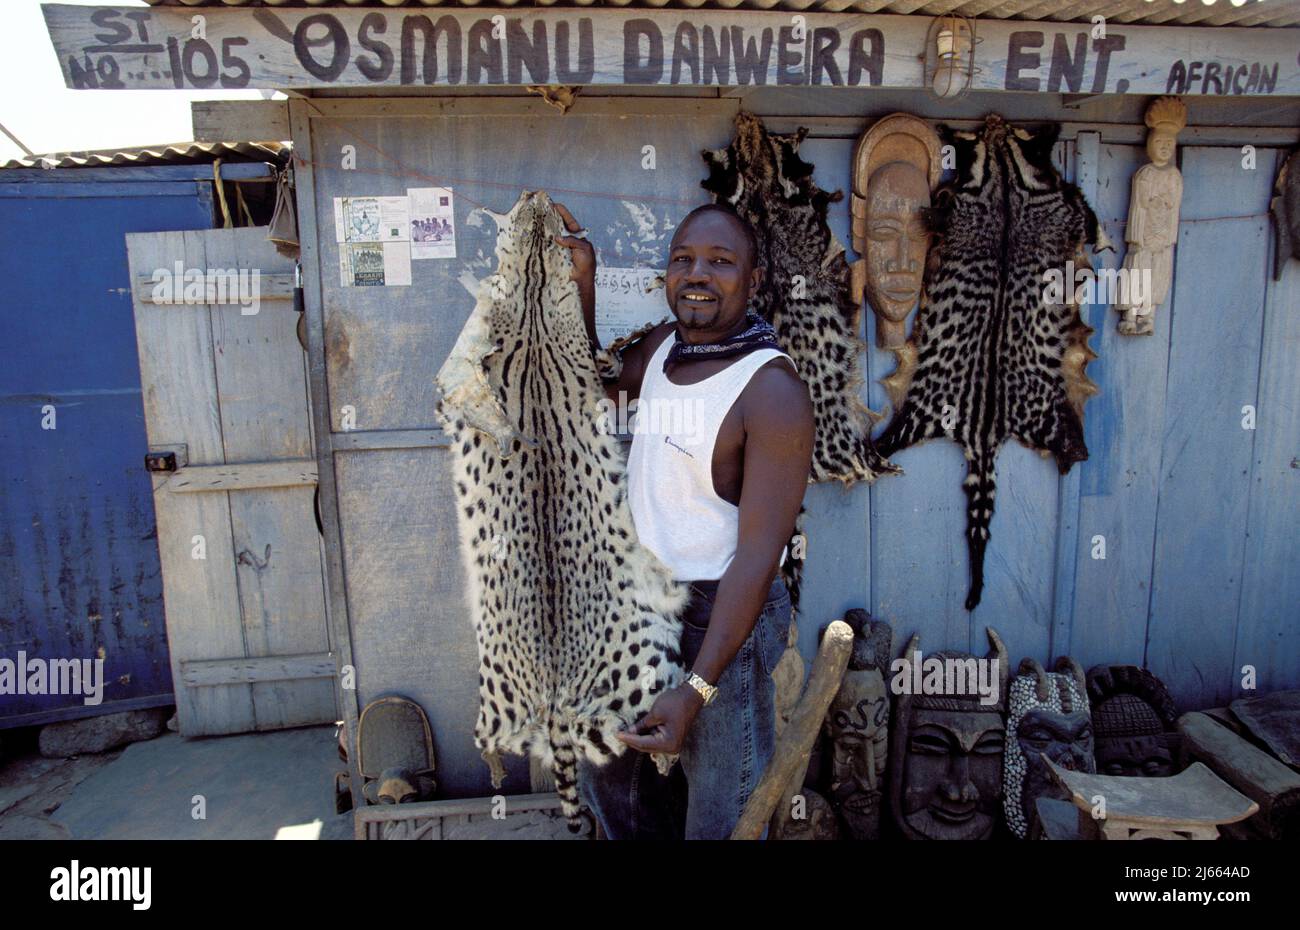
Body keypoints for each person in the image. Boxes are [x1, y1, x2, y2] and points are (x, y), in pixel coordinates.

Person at [554, 201, 814, 839]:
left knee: (719, 809)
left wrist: (698, 687)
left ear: (752, 282)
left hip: (723, 614)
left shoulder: (770, 392)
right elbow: (598, 394)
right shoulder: (662, 346)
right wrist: (582, 285)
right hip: (637, 605)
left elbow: (758, 559)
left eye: (721, 263)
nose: (697, 274)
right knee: (614, 782)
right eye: (683, 259)